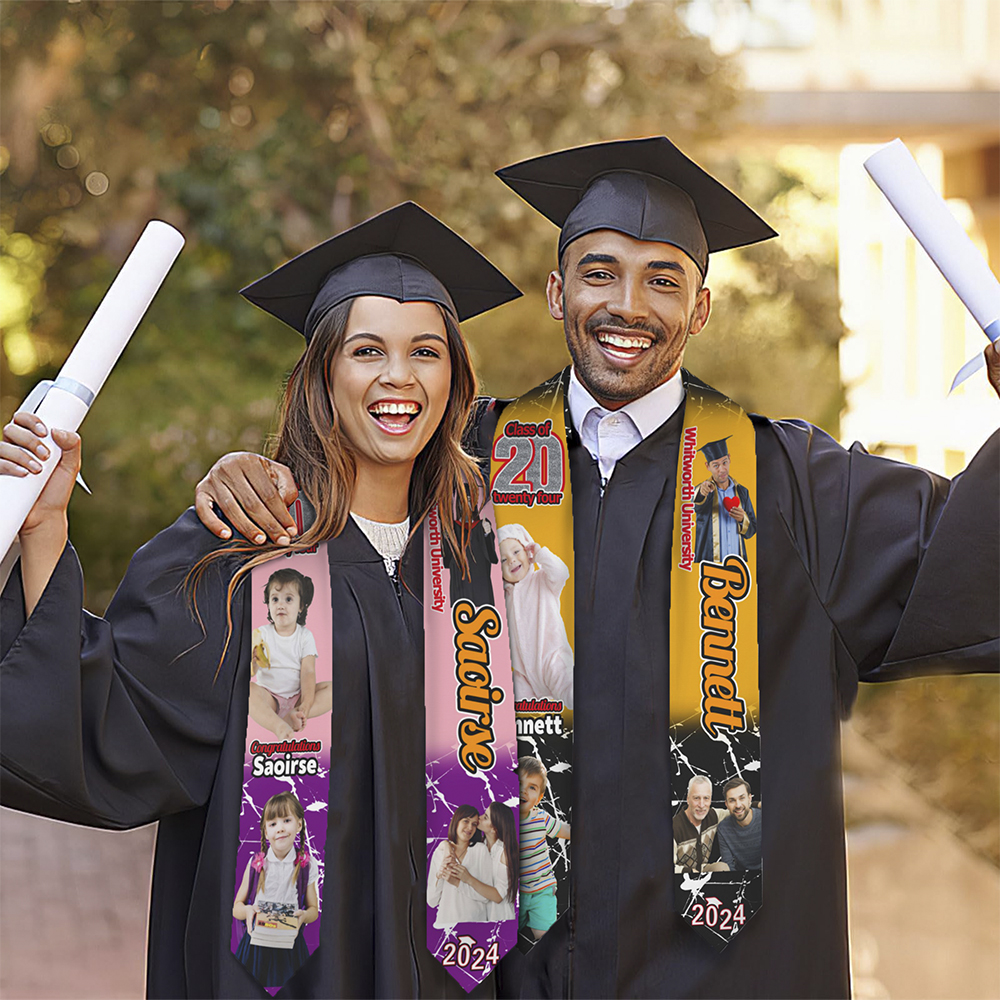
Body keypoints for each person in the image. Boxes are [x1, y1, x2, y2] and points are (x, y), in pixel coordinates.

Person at [190, 136, 998, 999]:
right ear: (556, 291)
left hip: (719, 974)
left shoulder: (791, 486)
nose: (627, 304)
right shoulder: (455, 468)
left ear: (702, 310)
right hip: (495, 967)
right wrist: (255, 473)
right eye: (600, 271)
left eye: (663, 280)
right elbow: (328, 522)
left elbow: (966, 561)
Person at [0, 202, 521, 999]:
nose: (398, 377)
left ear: (454, 380)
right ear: (323, 375)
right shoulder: (240, 551)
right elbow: (107, 720)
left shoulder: (490, 561)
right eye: (366, 350)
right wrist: (43, 529)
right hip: (278, 973)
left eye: (425, 352)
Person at [232, 790, 319, 987]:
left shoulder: (306, 865)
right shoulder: (256, 863)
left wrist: (304, 916)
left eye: (286, 820)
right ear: (265, 831)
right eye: (272, 824)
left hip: (290, 947)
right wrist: (247, 910)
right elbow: (237, 906)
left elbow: (313, 909)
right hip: (256, 948)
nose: (279, 828)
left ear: (299, 824)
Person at [497, 523, 574, 707]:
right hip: (523, 673)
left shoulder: (542, 580)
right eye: (503, 560)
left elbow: (562, 573)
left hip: (552, 658)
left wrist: (540, 553)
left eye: (516, 552)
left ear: (527, 551)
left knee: (571, 692)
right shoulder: (503, 596)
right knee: (516, 711)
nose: (512, 561)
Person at [251, 567, 331, 739]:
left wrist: (306, 705)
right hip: (269, 697)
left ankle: (296, 714)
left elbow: (308, 672)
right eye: (275, 599)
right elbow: (252, 672)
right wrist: (253, 663)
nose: (280, 605)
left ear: (301, 606)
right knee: (248, 691)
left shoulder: (305, 636)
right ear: (268, 604)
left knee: (333, 689)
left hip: (298, 696)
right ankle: (277, 725)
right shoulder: (262, 634)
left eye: (288, 599)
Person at [518, 755, 571, 942]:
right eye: (519, 782)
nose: (524, 790)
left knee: (545, 937)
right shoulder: (503, 818)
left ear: (539, 797)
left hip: (542, 888)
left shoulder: (540, 817)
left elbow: (563, 830)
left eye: (532, 787)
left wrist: (583, 829)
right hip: (514, 894)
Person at [692, 435, 756, 562]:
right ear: (707, 466)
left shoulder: (742, 492)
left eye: (724, 462)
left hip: (737, 565)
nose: (722, 469)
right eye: (716, 465)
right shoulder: (705, 490)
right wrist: (702, 491)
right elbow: (696, 505)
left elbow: (752, 529)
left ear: (730, 459)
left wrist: (743, 519)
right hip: (710, 565)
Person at [426, 804, 491, 927]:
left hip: (475, 924)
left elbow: (486, 896)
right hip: (446, 925)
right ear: (456, 821)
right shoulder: (440, 852)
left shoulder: (480, 850)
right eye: (466, 821)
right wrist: (439, 876)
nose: (470, 827)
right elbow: (432, 901)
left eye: (474, 824)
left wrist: (458, 882)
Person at [672, 775, 727, 874]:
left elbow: (736, 810)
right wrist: (689, 872)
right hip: (682, 878)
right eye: (696, 798)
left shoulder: (713, 816)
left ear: (711, 800)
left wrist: (756, 805)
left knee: (722, 867)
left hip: (703, 871)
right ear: (688, 799)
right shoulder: (674, 828)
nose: (701, 805)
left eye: (706, 798)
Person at [477, 801, 518, 921]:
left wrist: (468, 878)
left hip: (501, 920)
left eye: (485, 817)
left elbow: (498, 896)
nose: (479, 818)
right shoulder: (480, 846)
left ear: (494, 829)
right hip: (483, 919)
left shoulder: (503, 853)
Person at [715, 778, 762, 872]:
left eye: (742, 798)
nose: (738, 805)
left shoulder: (765, 817)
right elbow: (728, 865)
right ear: (726, 804)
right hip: (742, 876)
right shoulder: (723, 829)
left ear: (749, 799)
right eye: (732, 800)